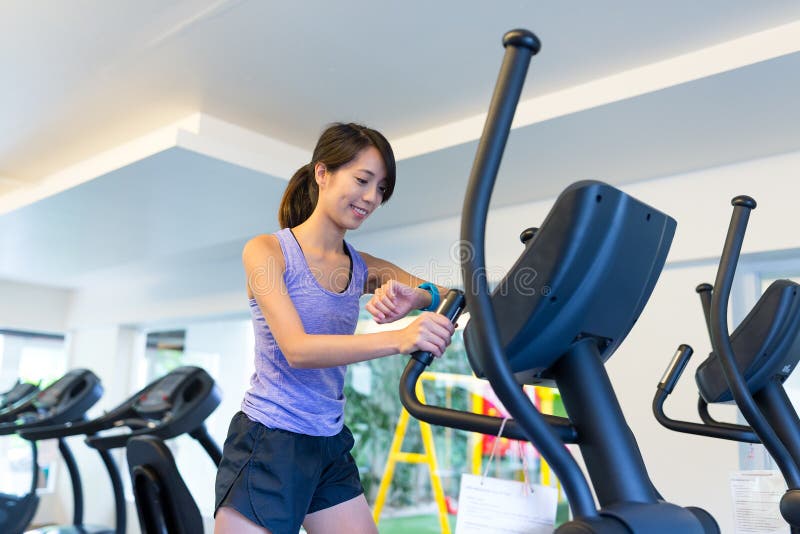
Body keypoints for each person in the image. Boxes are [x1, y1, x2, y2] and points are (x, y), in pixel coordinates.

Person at [214, 122, 455, 534]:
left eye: (381, 189)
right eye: (362, 180)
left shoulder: (362, 266)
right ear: (322, 173)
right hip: (269, 441)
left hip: (328, 443)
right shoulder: (267, 251)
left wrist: (419, 298)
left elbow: (450, 296)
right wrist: (399, 338)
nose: (371, 197)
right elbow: (298, 349)